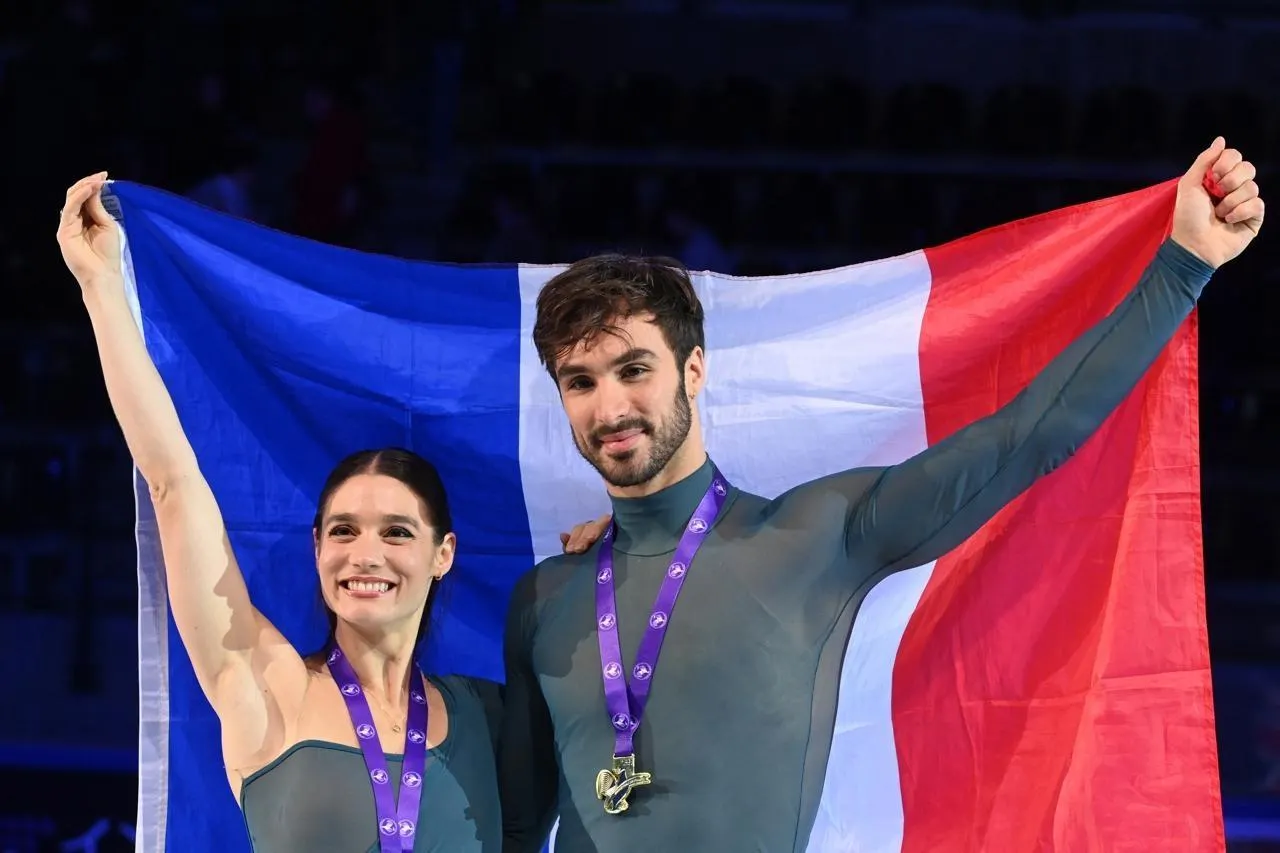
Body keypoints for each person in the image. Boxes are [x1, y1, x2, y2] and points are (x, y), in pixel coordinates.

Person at [499, 138, 1264, 852]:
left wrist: (1182, 267)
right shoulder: (547, 598)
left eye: (634, 369)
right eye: (581, 381)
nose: (609, 408)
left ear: (693, 370)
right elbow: (510, 825)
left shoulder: (814, 536)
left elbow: (1030, 436)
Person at [56, 172, 606, 853]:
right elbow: (173, 482)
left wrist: (622, 551)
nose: (365, 554)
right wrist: (100, 287)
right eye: (343, 530)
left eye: (397, 532)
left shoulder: (489, 718)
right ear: (317, 547)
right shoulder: (263, 683)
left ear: (444, 553)